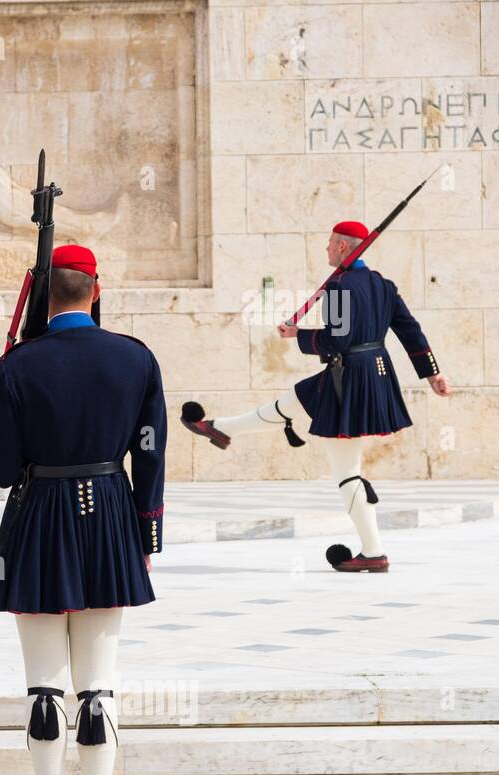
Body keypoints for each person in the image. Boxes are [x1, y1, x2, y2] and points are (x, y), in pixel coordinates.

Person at [0, 245, 158, 775]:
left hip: (40, 516)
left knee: (44, 687)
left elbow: (2, 470)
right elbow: (151, 452)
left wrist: (2, 439)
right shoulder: (134, 358)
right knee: (99, 687)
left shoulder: (19, 364)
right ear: (96, 289)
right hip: (110, 511)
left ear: (41, 296)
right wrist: (147, 535)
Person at [181, 220, 452, 572]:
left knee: (347, 472)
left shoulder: (340, 286)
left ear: (342, 247)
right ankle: (220, 428)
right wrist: (432, 372)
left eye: (329, 244)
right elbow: (409, 330)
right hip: (376, 374)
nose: (325, 249)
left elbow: (334, 341)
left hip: (350, 378)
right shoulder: (382, 285)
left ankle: (374, 552)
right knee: (293, 401)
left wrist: (298, 335)